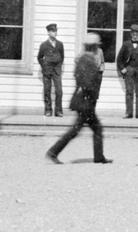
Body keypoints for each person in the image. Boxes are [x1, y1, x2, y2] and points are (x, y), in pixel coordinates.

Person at [46, 34, 110, 164]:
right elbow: (87, 83)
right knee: (88, 129)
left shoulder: (83, 59)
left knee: (81, 130)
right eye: (96, 46)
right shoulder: (89, 61)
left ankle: (54, 152)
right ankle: (53, 152)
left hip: (82, 102)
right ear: (93, 47)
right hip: (86, 103)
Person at [115, 22, 138, 119]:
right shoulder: (126, 44)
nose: (135, 35)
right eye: (133, 33)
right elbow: (119, 59)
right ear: (131, 34)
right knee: (129, 92)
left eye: (137, 33)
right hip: (129, 70)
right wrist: (123, 69)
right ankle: (128, 113)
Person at [36, 23, 65, 117]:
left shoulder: (60, 44)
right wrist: (44, 65)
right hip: (47, 70)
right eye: (53, 31)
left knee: (59, 91)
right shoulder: (44, 45)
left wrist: (58, 65)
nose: (55, 32)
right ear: (48, 32)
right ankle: (48, 110)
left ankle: (58, 111)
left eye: (56, 30)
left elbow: (62, 57)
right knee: (47, 90)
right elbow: (39, 57)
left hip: (56, 70)